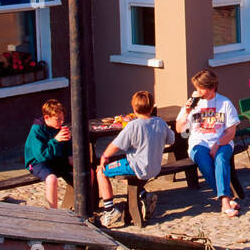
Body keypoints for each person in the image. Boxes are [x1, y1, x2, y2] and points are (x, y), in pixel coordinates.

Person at [96, 90, 175, 229]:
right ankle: (144, 195)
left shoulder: (133, 126)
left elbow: (116, 145)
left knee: (101, 172)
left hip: (136, 166)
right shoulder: (160, 122)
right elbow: (172, 139)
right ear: (152, 108)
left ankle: (109, 210)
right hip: (155, 167)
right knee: (131, 174)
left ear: (133, 108)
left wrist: (104, 157)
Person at [176, 68, 241, 217]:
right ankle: (226, 199)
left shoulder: (224, 103)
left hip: (222, 141)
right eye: (196, 88)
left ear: (211, 87)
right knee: (204, 162)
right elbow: (180, 129)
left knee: (221, 159)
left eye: (200, 88)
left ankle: (225, 201)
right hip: (199, 143)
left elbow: (231, 132)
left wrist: (217, 145)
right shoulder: (193, 104)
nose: (197, 91)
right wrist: (186, 112)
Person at [24, 99, 72, 209]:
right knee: (51, 179)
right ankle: (53, 211)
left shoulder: (58, 127)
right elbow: (41, 155)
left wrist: (69, 155)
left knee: (84, 170)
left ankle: (86, 205)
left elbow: (68, 145)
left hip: (55, 159)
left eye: (63, 118)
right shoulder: (37, 130)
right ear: (47, 118)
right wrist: (55, 141)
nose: (61, 122)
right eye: (58, 119)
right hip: (38, 162)